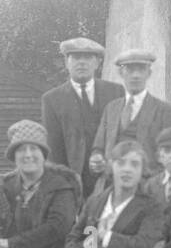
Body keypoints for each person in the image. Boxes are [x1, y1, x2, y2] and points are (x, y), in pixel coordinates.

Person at [41, 36, 123, 198]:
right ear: (67, 62)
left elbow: (124, 134)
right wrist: (64, 183)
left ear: (97, 63)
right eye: (76, 57)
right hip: (74, 178)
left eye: (88, 58)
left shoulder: (116, 92)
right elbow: (54, 146)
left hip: (110, 176)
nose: (82, 62)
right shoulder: (52, 99)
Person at [0, 119, 81, 248]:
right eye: (21, 150)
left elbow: (57, 227)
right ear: (14, 156)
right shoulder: (2, 188)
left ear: (43, 155)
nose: (28, 155)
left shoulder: (61, 185)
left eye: (34, 148)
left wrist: (10, 243)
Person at [65, 140, 163, 248]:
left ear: (142, 170)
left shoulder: (151, 207)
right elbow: (73, 238)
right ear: (111, 166)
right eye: (121, 163)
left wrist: (106, 237)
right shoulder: (94, 202)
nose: (127, 169)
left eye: (134, 164)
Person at [91, 48, 171, 178]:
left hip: (148, 184)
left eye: (141, 70)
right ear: (121, 73)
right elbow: (98, 147)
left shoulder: (164, 110)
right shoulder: (111, 108)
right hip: (112, 181)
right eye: (130, 70)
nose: (135, 75)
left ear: (149, 73)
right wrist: (96, 157)